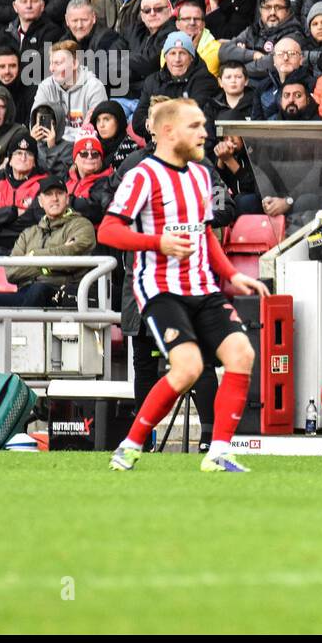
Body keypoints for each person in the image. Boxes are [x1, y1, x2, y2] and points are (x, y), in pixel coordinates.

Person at [100, 97, 269, 473]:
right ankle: (130, 445)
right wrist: (156, 243)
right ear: (168, 131)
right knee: (188, 368)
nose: (204, 133)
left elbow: (205, 232)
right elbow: (108, 229)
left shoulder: (201, 175)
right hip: (160, 289)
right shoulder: (142, 175)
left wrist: (231, 274)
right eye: (194, 126)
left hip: (203, 286)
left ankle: (219, 452)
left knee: (241, 355)